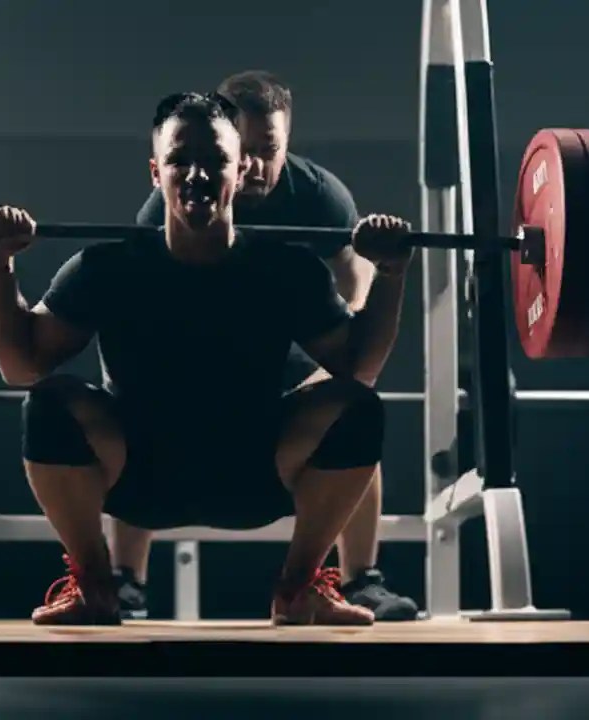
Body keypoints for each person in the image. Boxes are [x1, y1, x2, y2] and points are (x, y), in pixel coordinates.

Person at [0, 91, 414, 626]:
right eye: (180, 160)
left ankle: (298, 588)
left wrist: (390, 274)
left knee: (356, 406)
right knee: (49, 403)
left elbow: (360, 368)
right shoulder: (106, 268)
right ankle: (96, 585)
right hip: (139, 478)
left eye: (215, 161)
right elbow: (21, 366)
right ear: (155, 172)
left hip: (255, 475)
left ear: (240, 170)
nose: (197, 176)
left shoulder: (286, 271)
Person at [118, 70, 420, 621]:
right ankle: (124, 581)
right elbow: (147, 306)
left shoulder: (319, 195)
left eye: (269, 150)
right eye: (245, 150)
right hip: (200, 351)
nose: (255, 166)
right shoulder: (170, 204)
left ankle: (360, 580)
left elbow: (353, 275)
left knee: (353, 406)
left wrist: (344, 350)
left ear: (287, 143)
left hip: (293, 352)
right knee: (134, 409)